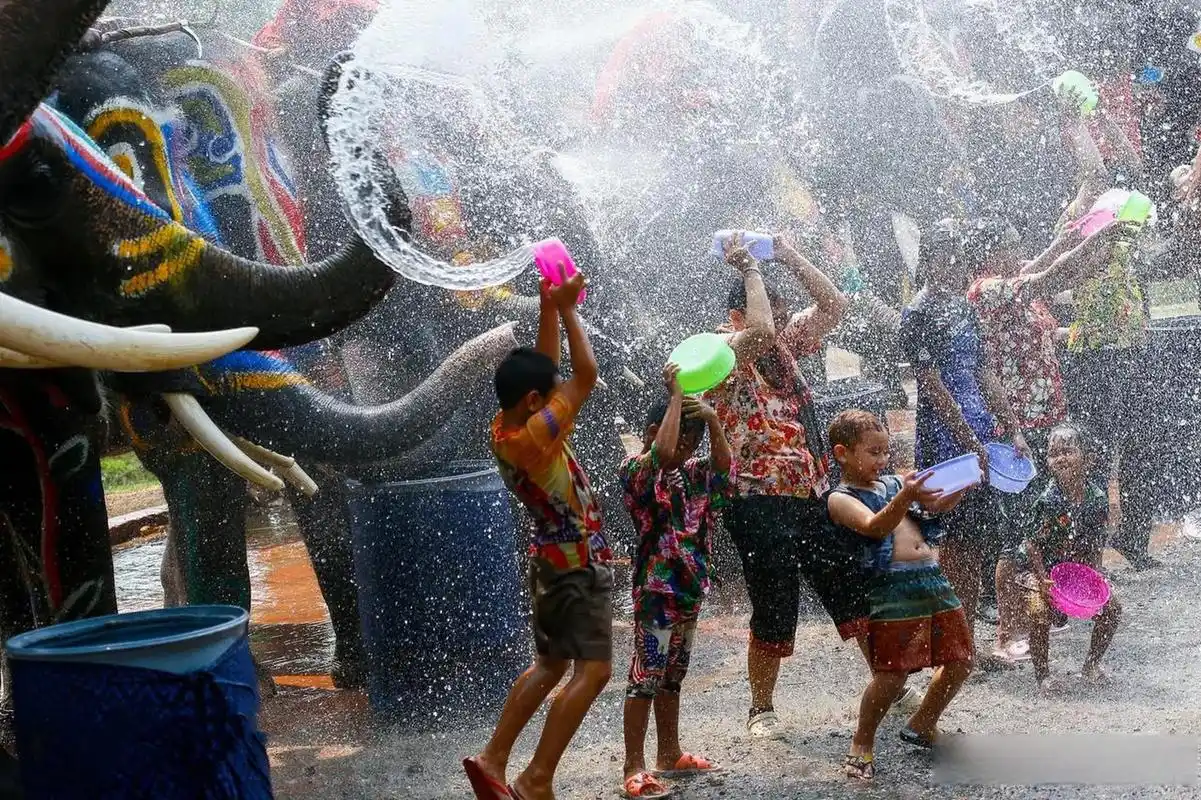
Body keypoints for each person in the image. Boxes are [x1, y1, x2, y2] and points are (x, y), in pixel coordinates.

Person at [465, 267, 610, 800]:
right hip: (575, 563)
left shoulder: (504, 427)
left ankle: (493, 759)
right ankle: (536, 779)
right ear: (534, 402)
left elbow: (550, 373)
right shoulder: (534, 435)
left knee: (550, 665)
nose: (555, 399)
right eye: (547, 396)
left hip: (548, 561)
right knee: (592, 672)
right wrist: (572, 309)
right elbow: (586, 374)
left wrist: (548, 305)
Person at [704, 231, 849, 739]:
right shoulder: (720, 348)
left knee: (845, 584)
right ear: (738, 315)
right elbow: (763, 330)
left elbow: (833, 305)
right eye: (772, 307)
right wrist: (749, 268)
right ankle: (760, 708)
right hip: (756, 496)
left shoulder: (782, 346)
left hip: (807, 489)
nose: (784, 318)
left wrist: (786, 254)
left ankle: (890, 684)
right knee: (773, 598)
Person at [963, 217, 1127, 661]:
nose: (1021, 254)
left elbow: (1051, 261)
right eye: (1014, 246)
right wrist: (1097, 238)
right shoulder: (986, 289)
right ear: (990, 253)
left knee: (1039, 521)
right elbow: (1050, 273)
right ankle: (1007, 631)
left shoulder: (1011, 284)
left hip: (1042, 422)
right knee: (1015, 532)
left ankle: (1046, 606)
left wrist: (1078, 240)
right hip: (1014, 428)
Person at [898, 219, 1032, 671]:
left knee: (975, 542)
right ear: (930, 261)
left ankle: (966, 645)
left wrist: (1011, 426)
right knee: (953, 542)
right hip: (944, 440)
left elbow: (985, 371)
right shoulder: (916, 313)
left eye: (959, 257)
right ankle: (949, 652)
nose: (955, 266)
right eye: (946, 257)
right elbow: (932, 384)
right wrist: (968, 439)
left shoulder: (962, 307)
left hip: (978, 435)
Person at [826, 410, 973, 780]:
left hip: (930, 578)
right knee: (892, 674)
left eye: (886, 452)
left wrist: (959, 487)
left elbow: (934, 506)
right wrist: (906, 494)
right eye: (873, 452)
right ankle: (861, 744)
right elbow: (875, 528)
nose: (883, 460)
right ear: (843, 453)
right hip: (890, 589)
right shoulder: (840, 499)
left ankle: (923, 722)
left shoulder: (894, 483)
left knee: (961, 658)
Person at [617, 364, 734, 799]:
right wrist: (673, 398)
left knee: (673, 675)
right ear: (652, 431)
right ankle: (634, 766)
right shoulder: (636, 470)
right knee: (645, 675)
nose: (687, 448)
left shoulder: (695, 474)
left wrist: (712, 419)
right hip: (655, 593)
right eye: (683, 438)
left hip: (689, 590)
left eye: (694, 441)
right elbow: (663, 455)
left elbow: (725, 468)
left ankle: (670, 753)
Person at [1017, 424, 1122, 692]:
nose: (1060, 458)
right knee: (1040, 612)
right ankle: (1043, 676)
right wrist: (1042, 580)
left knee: (1112, 607)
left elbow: (1096, 541)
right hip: (1040, 569)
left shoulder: (1097, 499)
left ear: (1088, 459)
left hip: (1075, 570)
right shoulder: (1047, 500)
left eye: (1067, 451)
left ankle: (1091, 665)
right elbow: (1031, 545)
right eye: (1053, 454)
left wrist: (1096, 574)